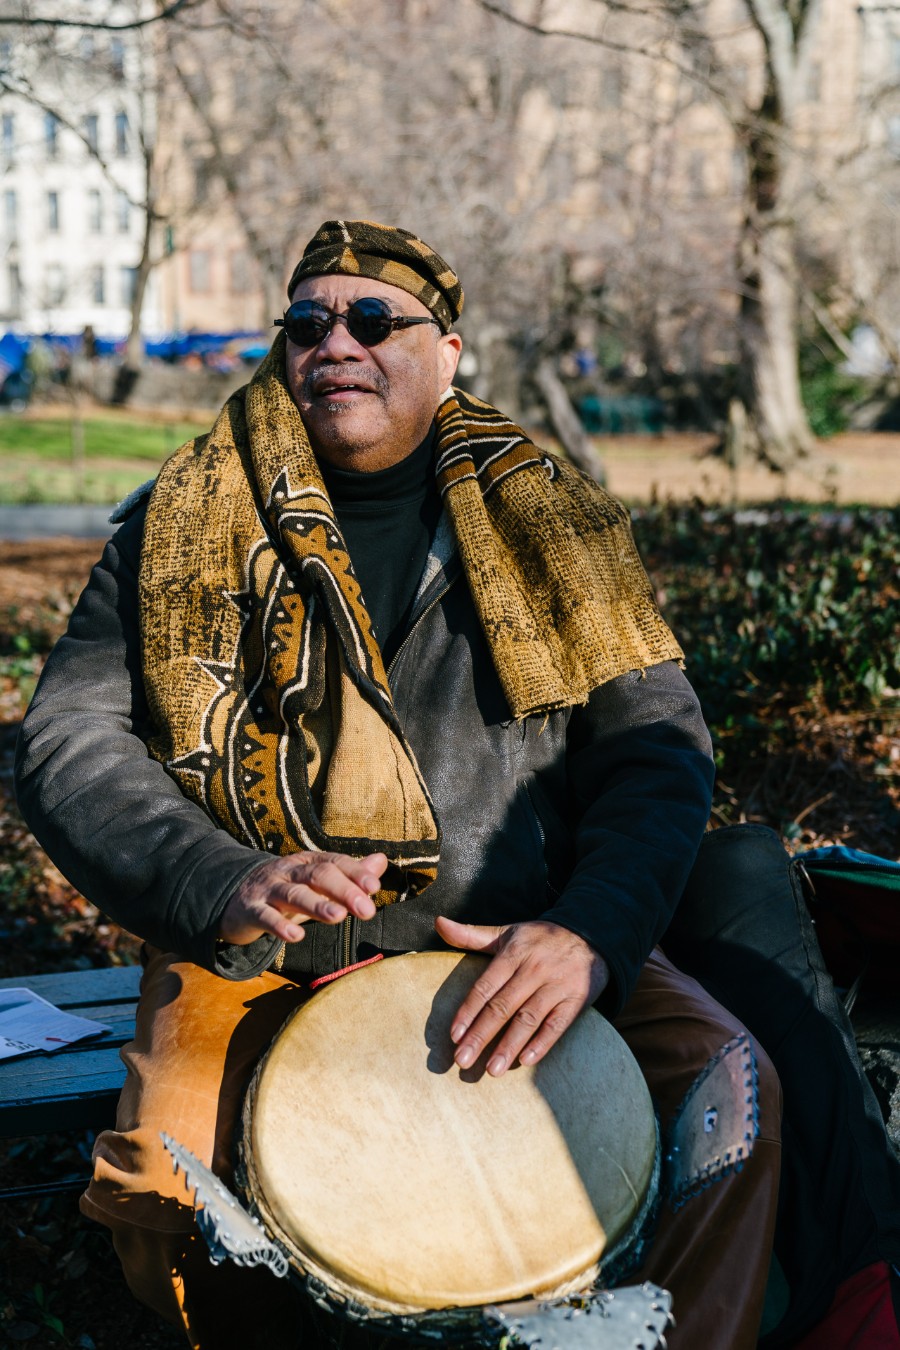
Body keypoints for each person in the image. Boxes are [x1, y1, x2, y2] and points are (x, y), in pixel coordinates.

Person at [11, 221, 894, 1349]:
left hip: (524, 941)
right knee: (159, 1191)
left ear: (450, 351)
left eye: (374, 318)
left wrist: (589, 933)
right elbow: (68, 740)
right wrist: (221, 878)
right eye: (308, 322)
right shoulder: (176, 523)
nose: (338, 341)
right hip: (256, 950)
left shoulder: (553, 523)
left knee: (734, 1101)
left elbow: (660, 750)